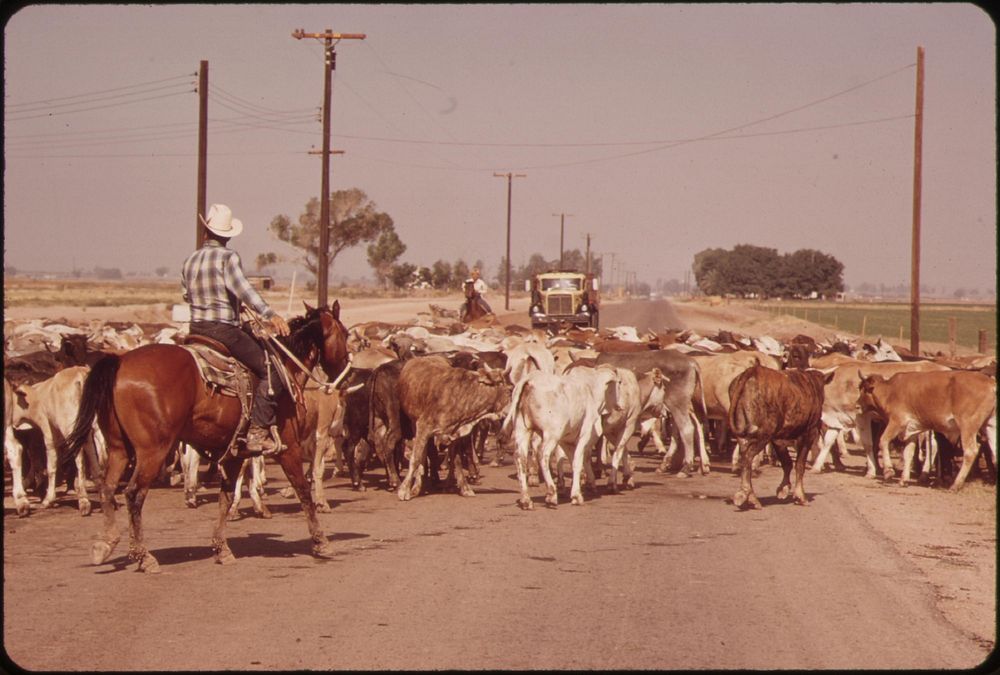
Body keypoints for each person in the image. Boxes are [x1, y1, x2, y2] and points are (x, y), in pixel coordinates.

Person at [181, 203, 290, 455]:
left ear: (206, 232)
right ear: (228, 235)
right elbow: (244, 290)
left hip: (196, 328)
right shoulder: (228, 257)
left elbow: (187, 295)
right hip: (223, 330)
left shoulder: (190, 260)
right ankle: (256, 432)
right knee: (271, 371)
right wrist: (270, 314)